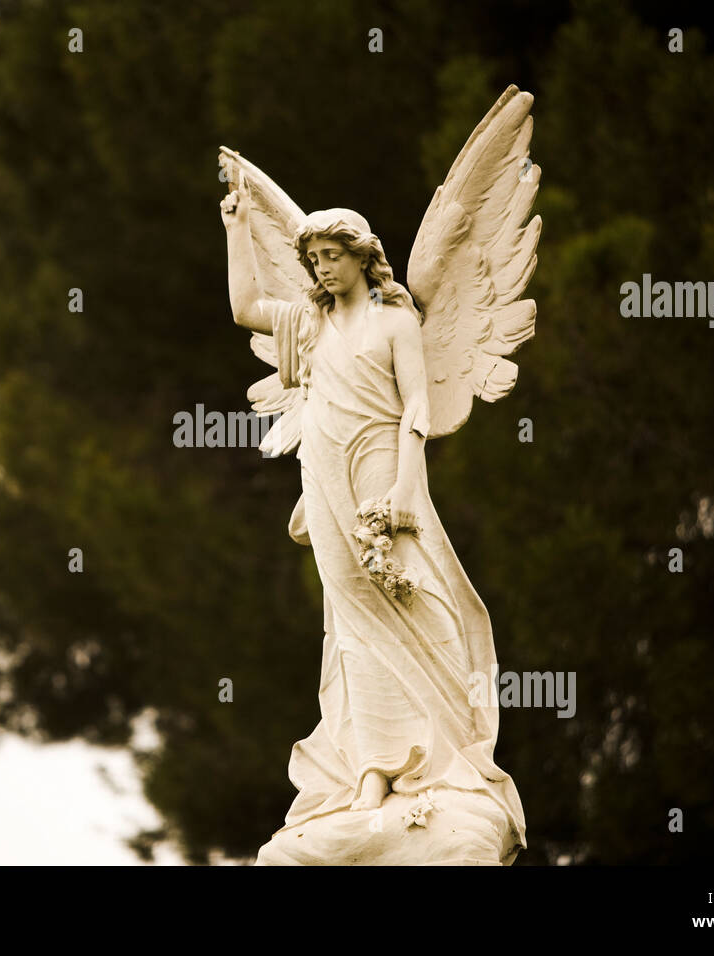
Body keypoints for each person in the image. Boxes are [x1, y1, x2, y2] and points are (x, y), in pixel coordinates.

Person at [221, 180, 527, 857]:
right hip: (324, 467)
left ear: (362, 257)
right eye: (315, 259)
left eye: (333, 255)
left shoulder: (396, 321)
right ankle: (371, 770)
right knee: (353, 617)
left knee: (421, 601)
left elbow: (417, 407)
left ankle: (450, 752)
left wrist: (406, 492)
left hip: (381, 463)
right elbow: (245, 307)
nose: (323, 268)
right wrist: (237, 227)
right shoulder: (306, 323)